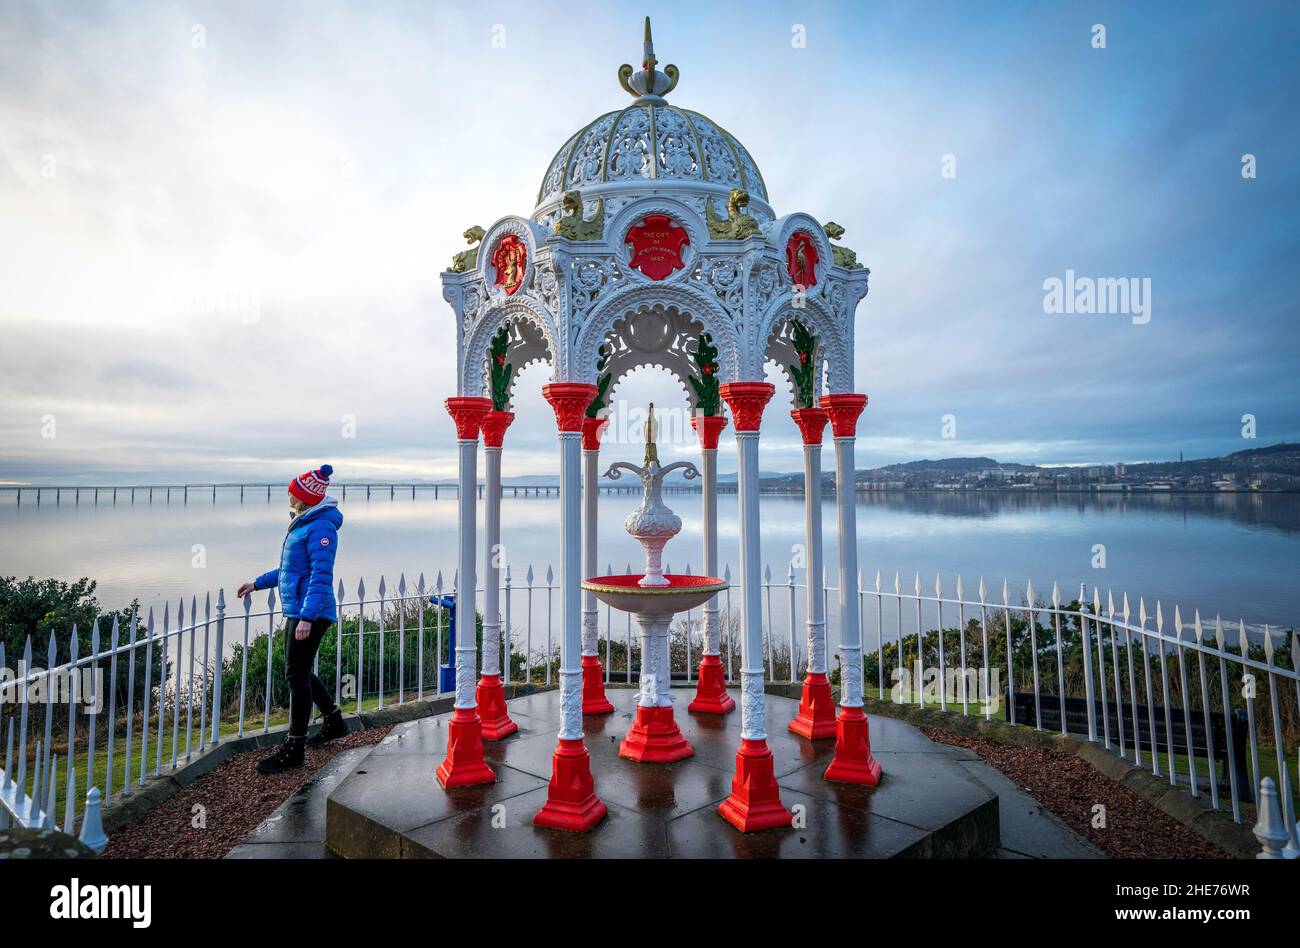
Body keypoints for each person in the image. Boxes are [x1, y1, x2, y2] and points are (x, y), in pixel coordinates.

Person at [236, 464, 349, 774]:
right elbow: (290, 571)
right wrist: (256, 583)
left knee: (295, 676)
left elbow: (320, 576)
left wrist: (307, 617)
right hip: (302, 609)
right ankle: (333, 721)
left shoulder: (320, 528)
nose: (288, 496)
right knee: (299, 672)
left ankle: (294, 747)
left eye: (292, 492)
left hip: (310, 612)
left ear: (304, 498)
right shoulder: (304, 524)